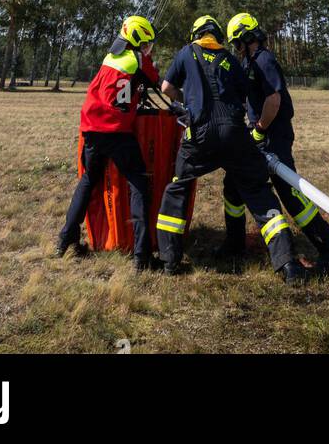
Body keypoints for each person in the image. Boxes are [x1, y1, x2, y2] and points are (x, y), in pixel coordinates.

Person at [156, 15, 306, 285]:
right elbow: (246, 94)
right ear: (218, 36)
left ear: (196, 34)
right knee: (259, 192)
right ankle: (287, 263)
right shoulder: (230, 59)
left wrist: (186, 101)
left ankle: (169, 260)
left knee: (178, 188)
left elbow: (166, 87)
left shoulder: (185, 53)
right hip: (235, 134)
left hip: (199, 135)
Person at [223, 13, 329, 276]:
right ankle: (234, 244)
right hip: (261, 134)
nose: (236, 49)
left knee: (288, 191)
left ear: (244, 37)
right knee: (234, 184)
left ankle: (327, 247)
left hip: (273, 135)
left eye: (236, 43)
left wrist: (260, 129)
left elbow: (273, 100)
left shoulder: (264, 60)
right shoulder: (251, 63)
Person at [57, 15, 158, 269]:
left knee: (89, 180)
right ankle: (141, 256)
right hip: (116, 132)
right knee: (138, 183)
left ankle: (65, 240)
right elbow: (155, 79)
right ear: (139, 40)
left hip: (91, 129)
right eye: (147, 43)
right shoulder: (137, 60)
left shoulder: (109, 57)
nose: (148, 48)